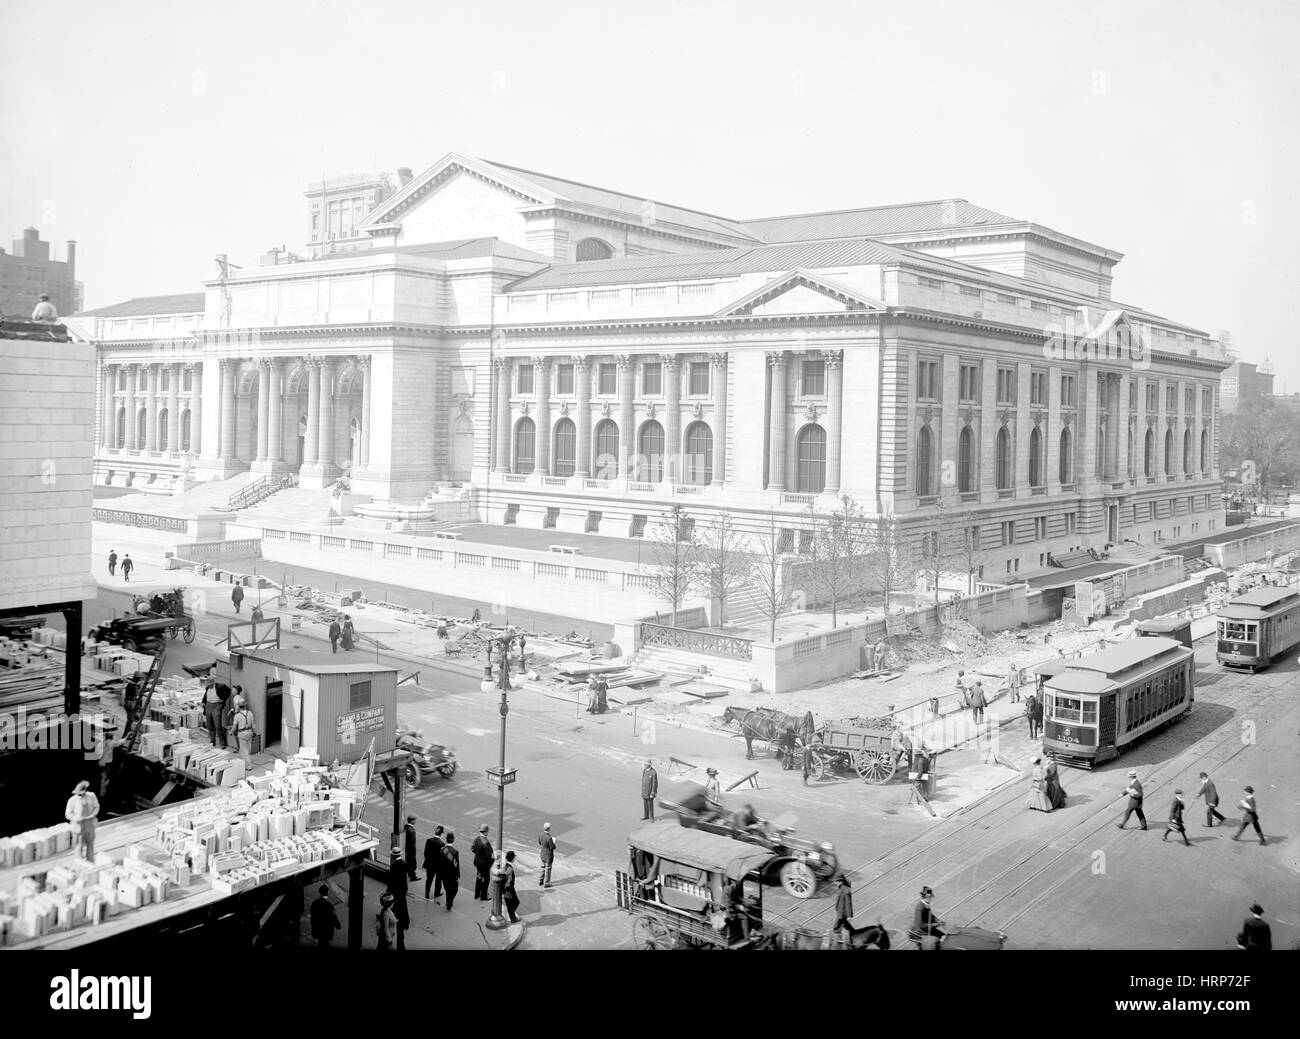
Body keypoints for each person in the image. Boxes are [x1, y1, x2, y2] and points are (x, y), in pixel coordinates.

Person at [65, 780, 99, 862]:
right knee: (79, 847)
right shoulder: (72, 800)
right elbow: (68, 814)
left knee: (90, 845)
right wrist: (76, 818)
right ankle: (80, 864)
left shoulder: (92, 796)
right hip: (79, 826)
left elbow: (96, 806)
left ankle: (90, 862)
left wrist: (94, 814)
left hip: (90, 824)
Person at [387, 852, 409, 949]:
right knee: (404, 906)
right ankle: (406, 922)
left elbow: (392, 879)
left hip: (396, 889)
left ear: (393, 855)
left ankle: (398, 921)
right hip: (403, 888)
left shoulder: (394, 865)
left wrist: (389, 890)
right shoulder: (404, 863)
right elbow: (405, 877)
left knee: (396, 906)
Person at [202, 677, 230, 748]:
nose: (209, 685)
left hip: (217, 705)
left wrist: (223, 700)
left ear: (213, 682)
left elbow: (228, 691)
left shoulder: (220, 686)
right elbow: (205, 696)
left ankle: (222, 743)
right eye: (208, 684)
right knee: (210, 725)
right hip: (208, 705)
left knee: (217, 725)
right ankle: (212, 741)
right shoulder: (207, 688)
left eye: (210, 684)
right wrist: (203, 702)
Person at [229, 696, 255, 766]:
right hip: (249, 732)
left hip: (242, 733)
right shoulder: (250, 713)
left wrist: (230, 732)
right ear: (245, 705)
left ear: (238, 706)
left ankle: (248, 765)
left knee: (244, 750)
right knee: (247, 749)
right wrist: (254, 732)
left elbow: (234, 727)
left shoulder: (237, 716)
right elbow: (253, 724)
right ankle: (241, 763)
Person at [423, 825, 446, 901]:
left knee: (429, 879)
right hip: (438, 865)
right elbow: (442, 856)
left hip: (429, 864)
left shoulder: (429, 840)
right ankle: (437, 893)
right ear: (441, 834)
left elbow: (425, 853)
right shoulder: (441, 843)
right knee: (438, 879)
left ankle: (427, 893)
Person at [471, 825, 494, 901]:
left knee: (479, 878)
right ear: (485, 832)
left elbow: (472, 848)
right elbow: (489, 855)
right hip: (485, 865)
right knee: (486, 880)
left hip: (478, 863)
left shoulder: (476, 839)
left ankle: (477, 895)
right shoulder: (486, 842)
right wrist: (492, 862)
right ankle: (484, 896)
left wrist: (478, 854)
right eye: (487, 831)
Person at [441, 832, 460, 910]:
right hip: (452, 875)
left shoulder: (442, 850)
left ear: (446, 840)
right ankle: (449, 902)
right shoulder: (455, 852)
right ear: (453, 840)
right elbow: (456, 865)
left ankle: (448, 902)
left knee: (447, 889)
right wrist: (457, 875)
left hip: (444, 874)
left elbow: (440, 863)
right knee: (455, 889)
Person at [502, 850, 520, 922]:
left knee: (511, 903)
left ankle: (512, 916)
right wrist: (508, 889)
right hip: (509, 889)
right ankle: (512, 917)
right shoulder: (510, 869)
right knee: (515, 902)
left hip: (506, 889)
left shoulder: (506, 865)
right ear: (512, 858)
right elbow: (509, 881)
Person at [538, 823, 556, 887]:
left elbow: (540, 843)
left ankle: (540, 880)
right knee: (548, 869)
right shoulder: (549, 838)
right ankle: (547, 883)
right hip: (548, 856)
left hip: (542, 854)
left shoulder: (540, 835)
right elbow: (552, 847)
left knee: (542, 868)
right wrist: (553, 842)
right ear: (549, 829)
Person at [403, 815, 419, 882]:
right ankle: (412, 876)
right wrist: (414, 851)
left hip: (407, 848)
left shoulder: (407, 827)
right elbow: (412, 843)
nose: (415, 821)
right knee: (412, 863)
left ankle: (409, 873)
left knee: (408, 861)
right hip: (411, 849)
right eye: (415, 820)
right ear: (412, 821)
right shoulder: (411, 830)